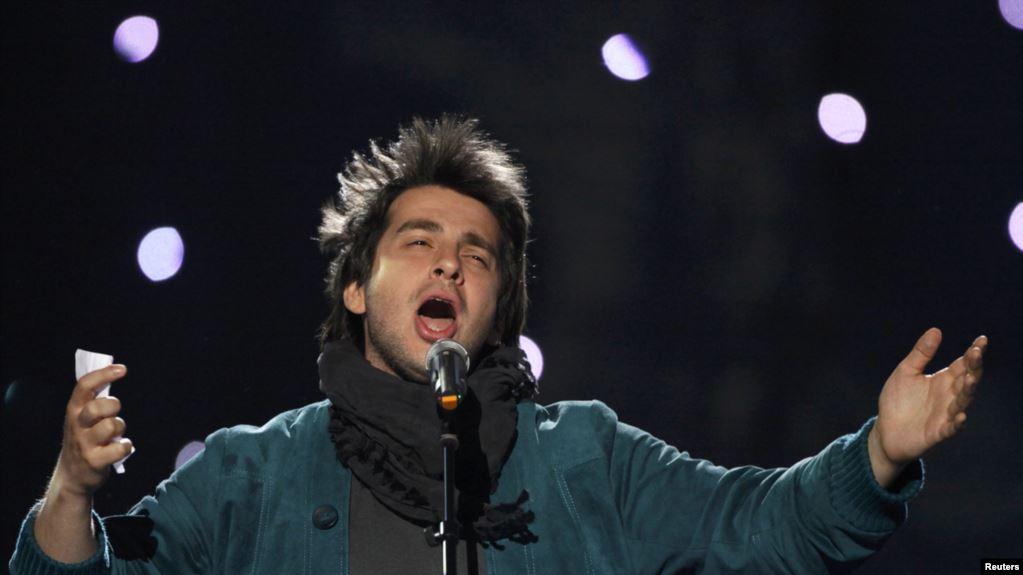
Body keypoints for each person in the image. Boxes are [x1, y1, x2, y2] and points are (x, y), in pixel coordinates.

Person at [10, 117, 988, 574]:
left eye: (476, 255)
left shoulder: (587, 458)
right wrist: (69, 490)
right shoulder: (248, 476)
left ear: (497, 308)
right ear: (355, 286)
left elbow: (767, 525)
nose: (450, 261)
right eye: (418, 241)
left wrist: (880, 451)